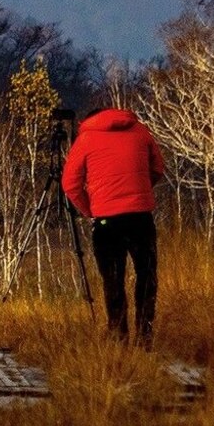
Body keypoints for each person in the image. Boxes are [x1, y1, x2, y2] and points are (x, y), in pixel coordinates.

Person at [61, 101, 167, 345]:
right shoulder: (140, 130)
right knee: (147, 276)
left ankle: (119, 337)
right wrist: (140, 191)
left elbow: (70, 184)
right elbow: (158, 168)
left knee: (113, 279)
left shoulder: (86, 139)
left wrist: (90, 210)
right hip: (140, 217)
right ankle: (145, 336)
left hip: (107, 221)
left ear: (88, 120)